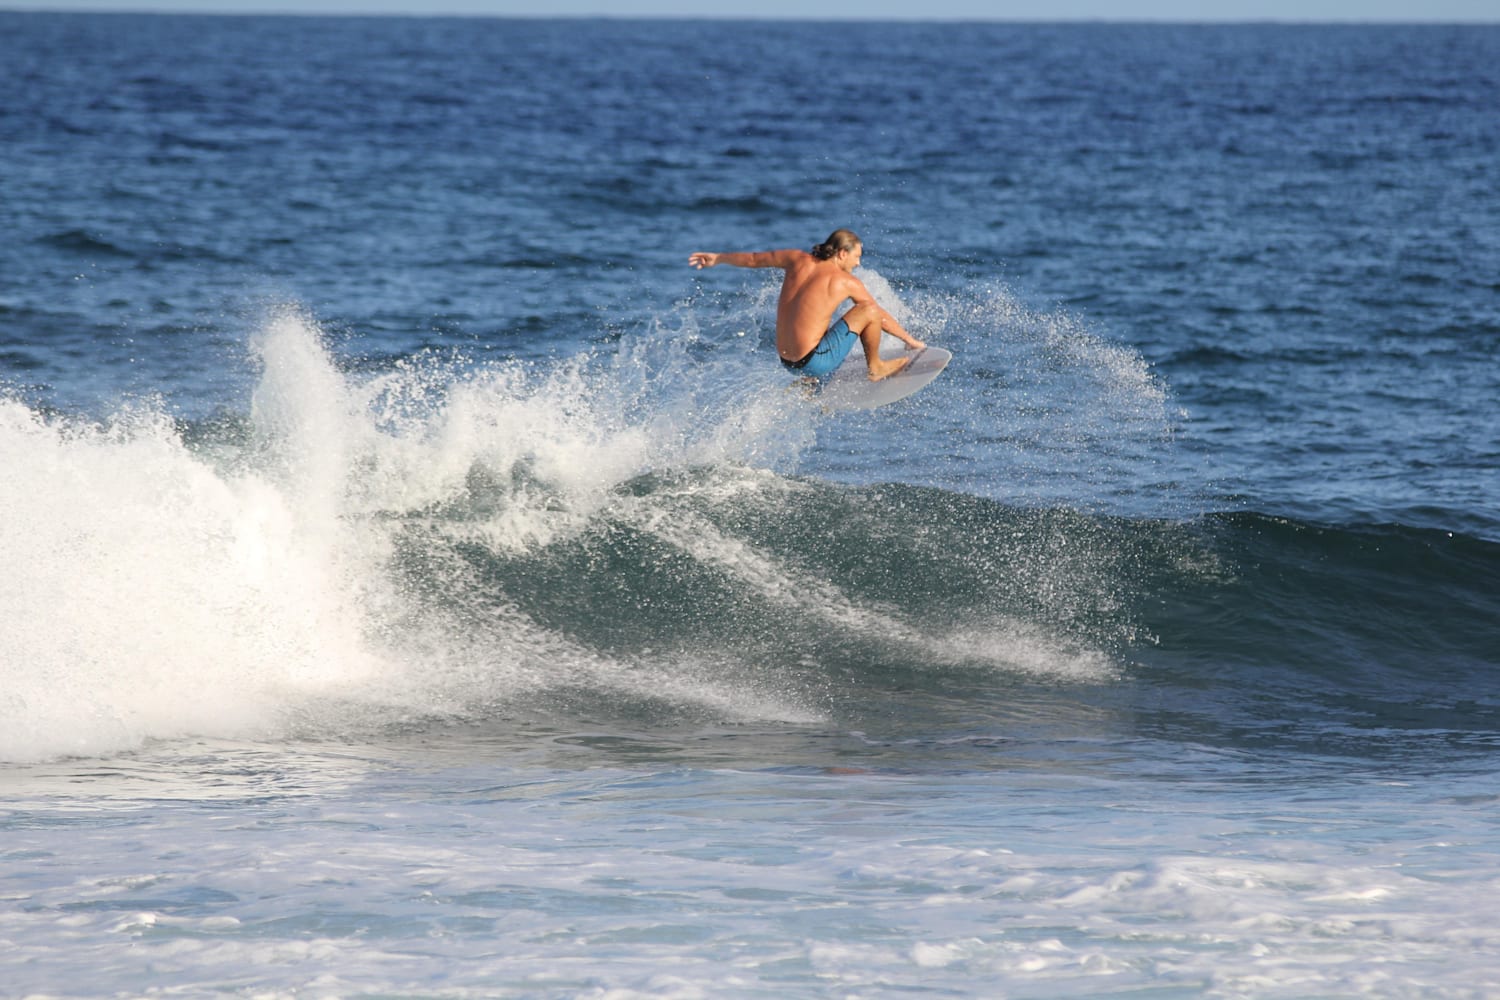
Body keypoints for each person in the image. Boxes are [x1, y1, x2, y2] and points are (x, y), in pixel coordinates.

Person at [688, 229, 925, 381]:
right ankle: (876, 367)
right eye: (856, 256)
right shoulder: (845, 281)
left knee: (818, 320)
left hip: (786, 361)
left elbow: (753, 259)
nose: (858, 263)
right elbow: (878, 315)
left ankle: (810, 383)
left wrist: (718, 258)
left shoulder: (795, 258)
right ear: (842, 253)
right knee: (868, 310)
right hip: (814, 362)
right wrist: (909, 340)